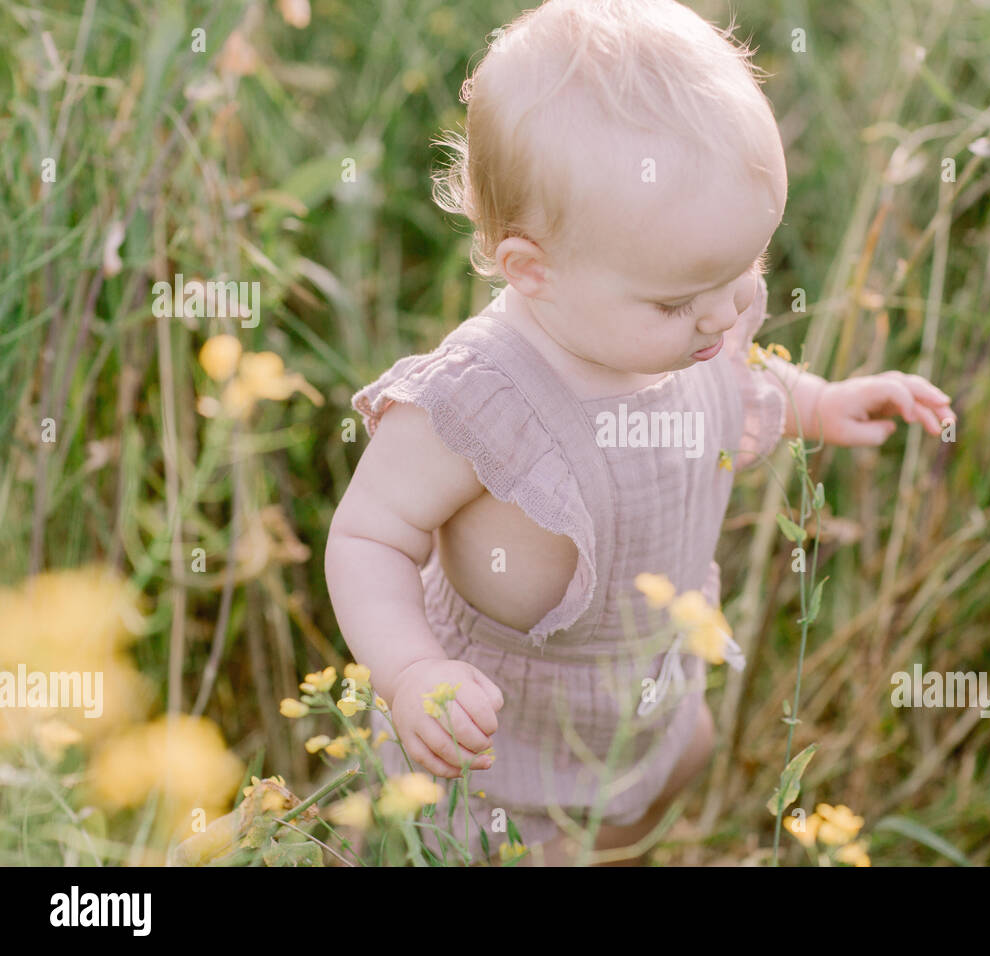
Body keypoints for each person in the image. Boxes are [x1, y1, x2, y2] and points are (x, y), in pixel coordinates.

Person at [324, 0, 955, 866]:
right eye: (677, 300)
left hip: (642, 684)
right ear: (530, 269)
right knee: (453, 848)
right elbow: (368, 536)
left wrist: (818, 400)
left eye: (747, 270)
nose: (727, 313)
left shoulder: (698, 321)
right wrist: (409, 674)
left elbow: (735, 384)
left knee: (679, 758)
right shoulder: (480, 399)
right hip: (491, 724)